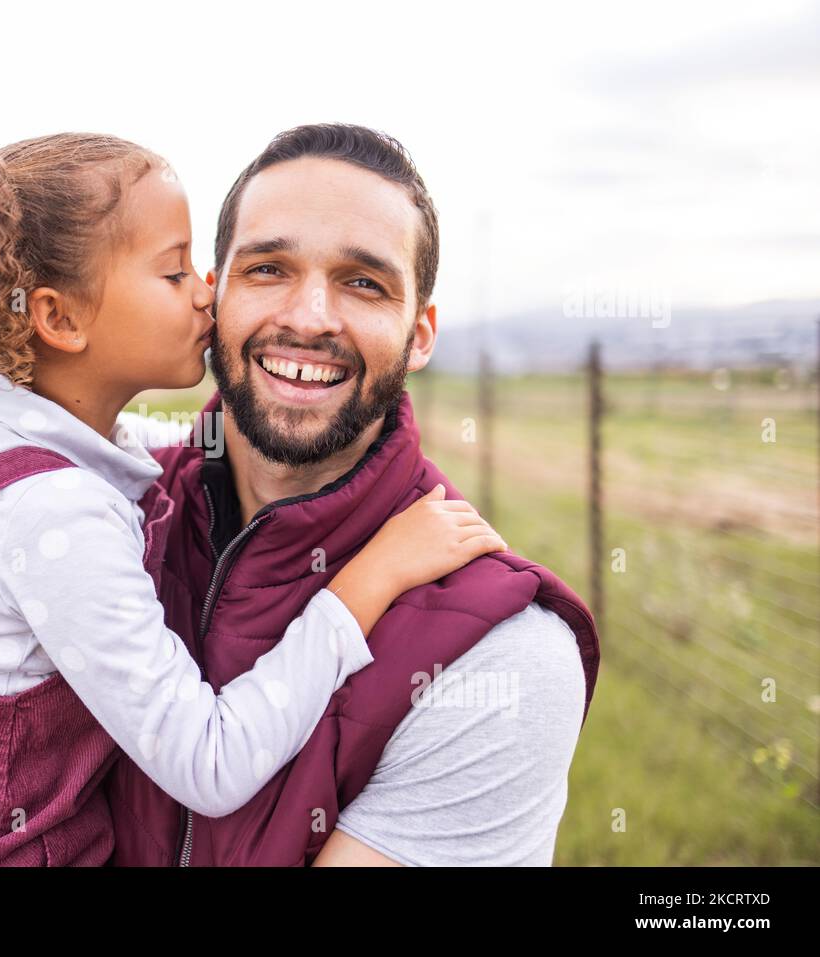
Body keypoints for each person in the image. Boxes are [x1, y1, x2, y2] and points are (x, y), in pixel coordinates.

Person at [0, 132, 506, 866]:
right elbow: (209, 764)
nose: (207, 291)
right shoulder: (55, 512)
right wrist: (368, 580)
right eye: (176, 274)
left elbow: (147, 446)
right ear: (62, 319)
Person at [104, 123, 602, 867]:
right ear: (213, 296)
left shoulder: (506, 658)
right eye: (268, 268)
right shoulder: (94, 510)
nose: (308, 318)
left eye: (363, 282)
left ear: (421, 332)